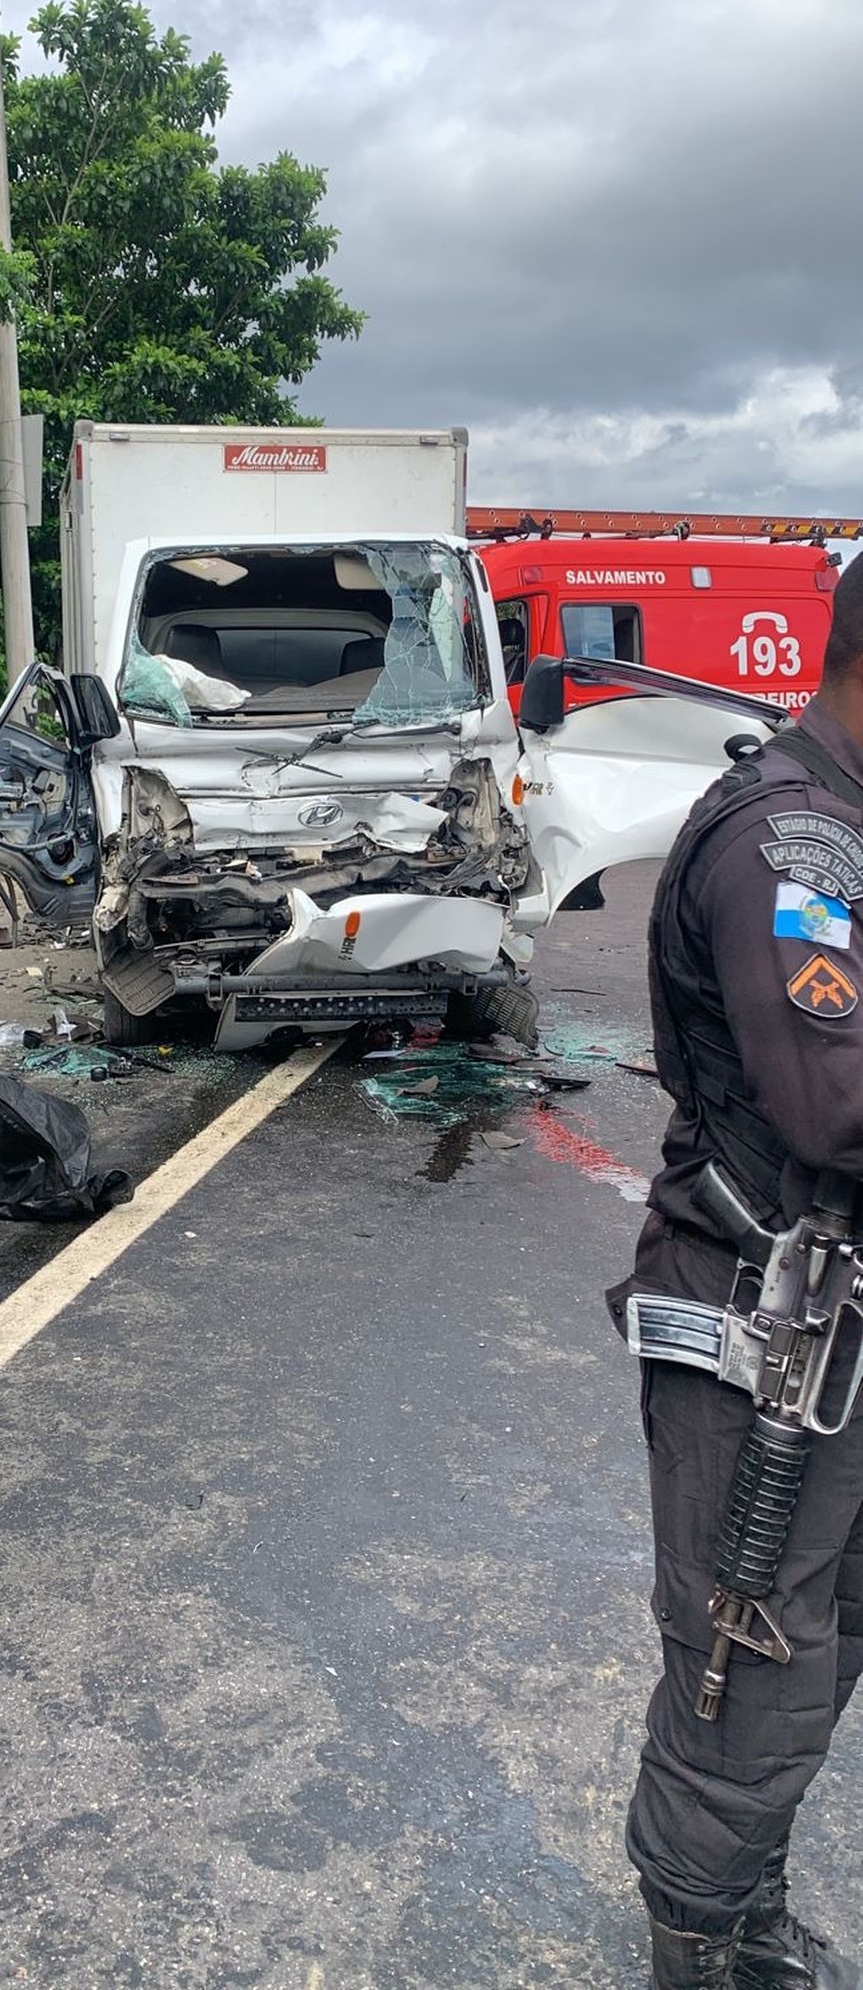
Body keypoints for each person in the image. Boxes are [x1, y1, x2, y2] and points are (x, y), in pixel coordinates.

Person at [609, 558, 863, 1986]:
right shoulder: (791, 846)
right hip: (762, 1329)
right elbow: (834, 1105)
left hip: (838, 1328)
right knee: (744, 1664)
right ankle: (701, 1947)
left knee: (825, 1643)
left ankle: (742, 1902)